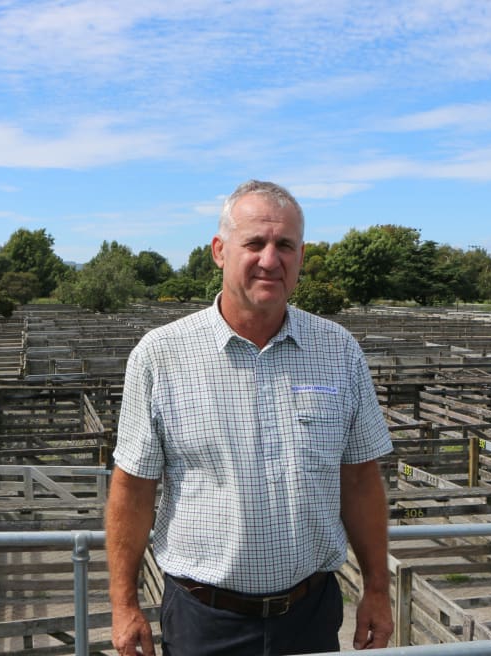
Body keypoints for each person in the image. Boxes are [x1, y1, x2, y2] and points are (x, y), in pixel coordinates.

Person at [105, 180, 394, 655]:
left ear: (301, 256)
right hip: (204, 617)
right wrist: (123, 604)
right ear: (220, 251)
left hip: (310, 613)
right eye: (255, 243)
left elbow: (361, 480)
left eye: (286, 245)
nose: (270, 259)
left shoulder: (338, 350)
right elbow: (133, 487)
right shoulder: (161, 355)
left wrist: (377, 590)